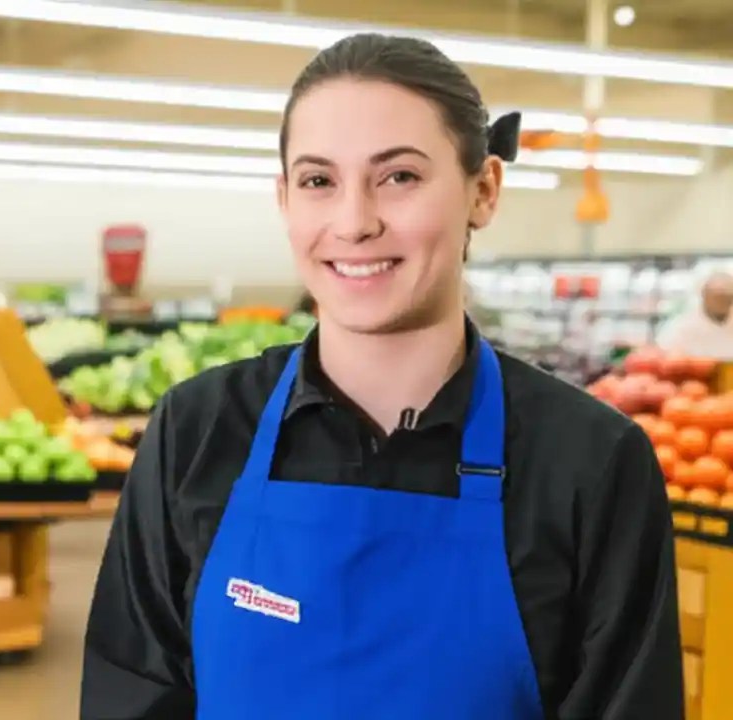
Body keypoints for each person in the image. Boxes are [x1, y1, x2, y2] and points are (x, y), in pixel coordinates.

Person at [81, 34, 683, 720]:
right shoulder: (195, 431)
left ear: (483, 190)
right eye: (318, 181)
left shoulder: (591, 464)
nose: (354, 222)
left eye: (399, 176)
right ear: (284, 200)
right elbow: (130, 696)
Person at [658, 270, 733, 360]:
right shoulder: (682, 326)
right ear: (705, 296)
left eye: (727, 297)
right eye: (717, 297)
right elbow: (668, 357)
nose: (721, 302)